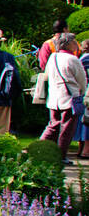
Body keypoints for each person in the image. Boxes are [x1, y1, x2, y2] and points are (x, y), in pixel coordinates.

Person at [42, 32, 86, 162]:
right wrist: (82, 93)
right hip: (69, 97)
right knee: (67, 129)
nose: (76, 44)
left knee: (53, 125)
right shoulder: (73, 59)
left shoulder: (53, 57)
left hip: (54, 97)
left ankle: (40, 147)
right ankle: (60, 155)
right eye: (74, 42)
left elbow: (47, 75)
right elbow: (82, 80)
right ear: (68, 44)